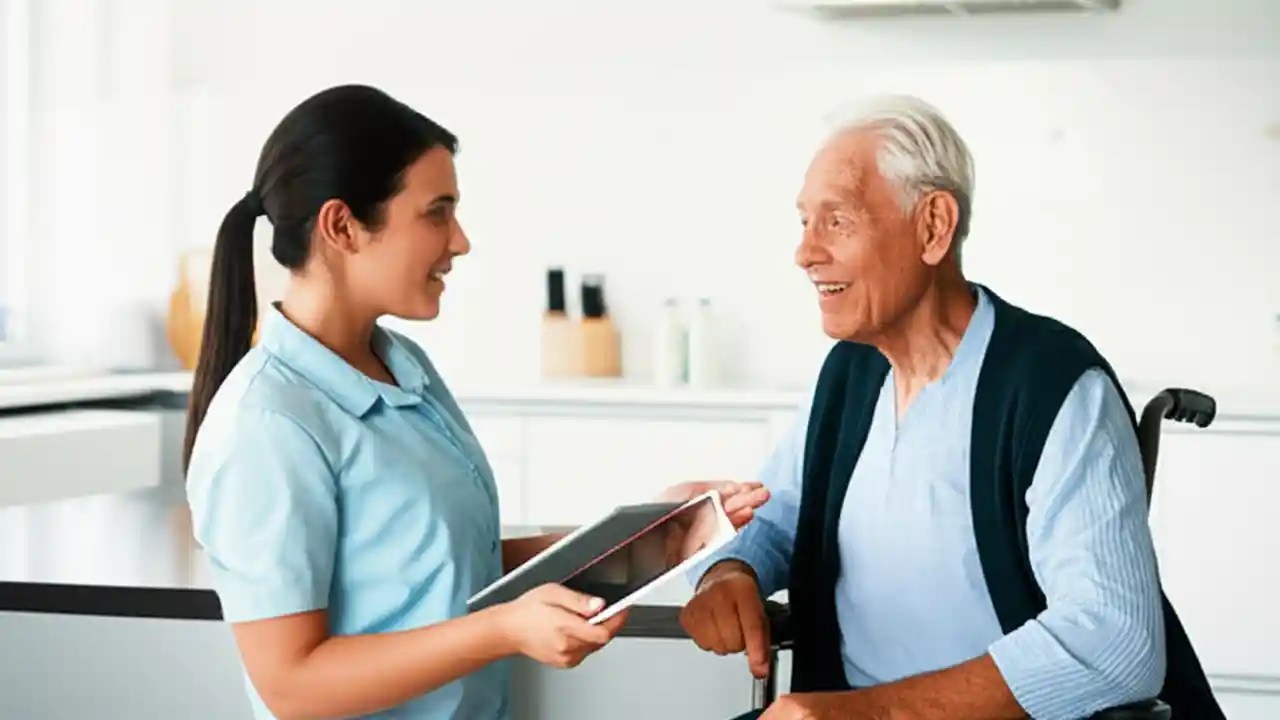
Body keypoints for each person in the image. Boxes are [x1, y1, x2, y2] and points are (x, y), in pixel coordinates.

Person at [181, 84, 768, 720]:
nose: (459, 241)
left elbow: (452, 562)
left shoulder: (403, 367)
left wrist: (650, 535)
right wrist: (503, 631)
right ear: (342, 226)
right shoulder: (268, 424)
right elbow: (292, 686)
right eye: (437, 212)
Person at [679, 95, 1224, 720]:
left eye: (836, 221)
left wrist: (869, 715)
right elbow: (774, 519)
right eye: (804, 222)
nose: (805, 252)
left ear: (933, 226)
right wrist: (729, 573)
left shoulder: (1053, 385)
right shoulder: (853, 372)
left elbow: (1112, 643)